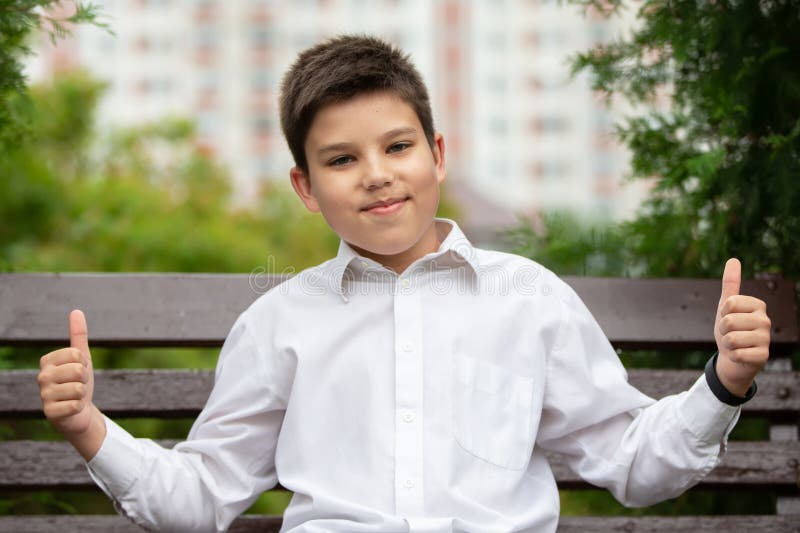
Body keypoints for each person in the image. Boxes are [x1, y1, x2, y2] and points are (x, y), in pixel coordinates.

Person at [37, 35, 771, 533]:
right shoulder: (279, 323)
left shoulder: (529, 300)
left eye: (397, 145)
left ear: (437, 153)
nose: (378, 173)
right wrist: (89, 428)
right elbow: (199, 496)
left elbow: (638, 462)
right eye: (342, 159)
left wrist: (725, 379)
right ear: (305, 185)